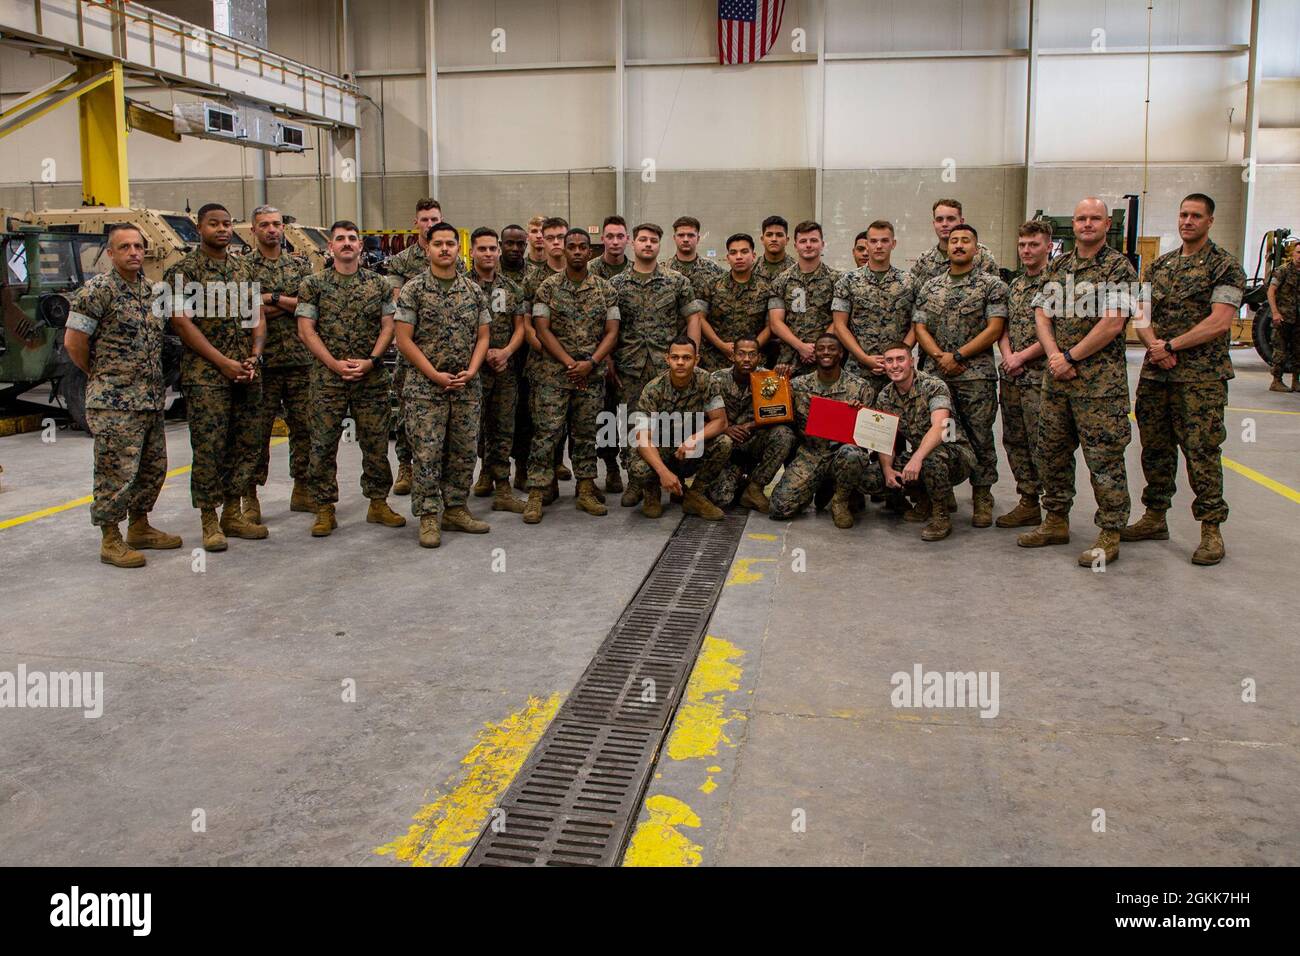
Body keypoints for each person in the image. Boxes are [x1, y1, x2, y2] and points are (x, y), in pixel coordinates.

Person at [1125, 193, 1246, 566]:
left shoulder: (1225, 266)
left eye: (1195, 216)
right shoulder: (1160, 266)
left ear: (1210, 221)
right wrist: (1155, 346)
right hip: (1157, 375)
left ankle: (1211, 528)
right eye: (1183, 215)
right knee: (1155, 448)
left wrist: (1171, 345)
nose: (1187, 221)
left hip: (1200, 378)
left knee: (1202, 451)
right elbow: (1141, 314)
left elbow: (1220, 321)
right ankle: (1155, 516)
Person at [1018, 197, 1137, 567]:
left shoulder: (1119, 267)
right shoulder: (1059, 265)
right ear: (1073, 224)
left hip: (1099, 387)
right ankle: (1055, 519)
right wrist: (1055, 355)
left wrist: (1070, 357)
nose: (1087, 224)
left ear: (1106, 224)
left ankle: (1111, 531)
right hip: (1058, 382)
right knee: (1051, 453)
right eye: (1081, 218)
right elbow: (1041, 314)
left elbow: (1113, 323)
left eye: (1095, 218)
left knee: (1104, 459)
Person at [64, 223, 182, 567]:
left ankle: (140, 526)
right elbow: (74, 343)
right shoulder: (96, 291)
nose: (133, 252)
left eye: (138, 246)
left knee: (152, 468)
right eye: (125, 247)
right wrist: (100, 375)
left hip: (150, 399)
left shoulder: (153, 292)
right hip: (113, 402)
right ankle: (110, 538)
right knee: (115, 471)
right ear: (110, 253)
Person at [166, 202, 267, 551]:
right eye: (214, 224)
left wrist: (254, 355)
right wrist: (223, 362)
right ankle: (210, 519)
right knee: (210, 447)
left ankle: (233, 513)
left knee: (247, 443)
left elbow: (257, 316)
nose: (222, 229)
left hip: (246, 371)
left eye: (227, 223)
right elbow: (181, 324)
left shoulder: (244, 268)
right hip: (206, 375)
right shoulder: (182, 272)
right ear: (199, 228)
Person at [295, 221, 406, 537]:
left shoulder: (378, 284)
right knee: (322, 443)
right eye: (340, 239)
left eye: (352, 238)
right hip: (327, 378)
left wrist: (371, 361)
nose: (347, 243)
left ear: (360, 246)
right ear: (330, 246)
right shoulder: (313, 285)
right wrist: (333, 364)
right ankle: (324, 508)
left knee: (375, 442)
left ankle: (378, 503)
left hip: (370, 378)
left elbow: (389, 326)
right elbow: (306, 330)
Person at [394, 221, 492, 548]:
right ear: (428, 248)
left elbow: (483, 336)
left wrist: (472, 370)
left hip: (466, 386)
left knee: (463, 451)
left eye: (451, 243)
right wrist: (434, 374)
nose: (445, 249)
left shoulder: (473, 291)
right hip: (425, 389)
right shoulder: (414, 290)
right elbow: (404, 340)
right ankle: (427, 515)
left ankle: (455, 508)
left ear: (458, 248)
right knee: (427, 452)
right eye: (438, 244)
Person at [912, 223, 1008, 527]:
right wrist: (940, 357)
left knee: (979, 436)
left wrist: (958, 356)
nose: (958, 245)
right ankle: (940, 494)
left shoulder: (991, 285)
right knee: (937, 434)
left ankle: (982, 495)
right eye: (954, 240)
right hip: (936, 375)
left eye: (966, 240)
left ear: (976, 249)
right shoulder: (931, 286)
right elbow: (920, 327)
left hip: (974, 375)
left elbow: (994, 328)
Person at [523, 228, 621, 523]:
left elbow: (612, 331)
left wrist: (591, 363)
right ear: (564, 250)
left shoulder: (605, 290)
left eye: (582, 247)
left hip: (590, 376)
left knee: (587, 433)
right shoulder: (547, 288)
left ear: (590, 252)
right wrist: (570, 363)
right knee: (547, 433)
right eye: (572, 246)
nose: (577, 251)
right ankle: (537, 492)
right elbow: (542, 329)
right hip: (553, 375)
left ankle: (586, 489)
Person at [831, 342, 975, 540]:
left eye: (900, 359)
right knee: (870, 479)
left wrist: (916, 458)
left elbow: (941, 427)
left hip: (955, 455)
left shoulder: (933, 386)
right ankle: (924, 498)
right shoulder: (885, 396)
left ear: (912, 361)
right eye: (889, 361)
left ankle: (941, 515)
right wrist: (887, 469)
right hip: (921, 457)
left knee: (931, 457)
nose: (895, 365)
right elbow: (885, 439)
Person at [609, 222, 704, 506]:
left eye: (653, 240)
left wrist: (691, 356)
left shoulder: (676, 281)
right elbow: (609, 327)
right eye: (643, 240)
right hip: (631, 366)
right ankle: (637, 482)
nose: (648, 244)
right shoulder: (617, 284)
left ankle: (670, 476)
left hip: (668, 365)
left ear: (660, 244)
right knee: (631, 424)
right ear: (633, 243)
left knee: (670, 425)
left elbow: (693, 318)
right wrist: (609, 359)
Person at [244, 205, 314, 522]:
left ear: (283, 228)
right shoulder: (243, 268)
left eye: (276, 224)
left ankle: (302, 489)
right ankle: (249, 497)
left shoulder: (299, 265)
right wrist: (287, 303)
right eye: (264, 225)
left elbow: (308, 306)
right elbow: (246, 309)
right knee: (255, 433)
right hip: (262, 363)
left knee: (305, 428)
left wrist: (270, 299)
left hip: (300, 360)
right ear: (253, 230)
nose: (271, 229)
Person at [768, 334, 873, 520]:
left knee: (853, 454)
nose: (826, 352)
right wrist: (776, 379)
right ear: (814, 354)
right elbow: (775, 413)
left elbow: (869, 434)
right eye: (821, 349)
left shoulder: (860, 387)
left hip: (842, 454)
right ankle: (822, 488)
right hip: (811, 454)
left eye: (832, 349)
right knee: (780, 508)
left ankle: (841, 499)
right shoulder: (798, 385)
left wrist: (860, 413)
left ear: (841, 353)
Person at [629, 337, 731, 520]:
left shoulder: (706, 381)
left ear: (696, 359)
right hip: (661, 449)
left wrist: (694, 438)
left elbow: (720, 421)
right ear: (667, 359)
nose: (680, 362)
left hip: (688, 449)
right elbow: (643, 438)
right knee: (638, 465)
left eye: (686, 357)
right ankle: (652, 492)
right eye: (675, 357)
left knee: (724, 442)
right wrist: (663, 472)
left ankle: (695, 495)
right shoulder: (653, 389)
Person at [464, 227, 528, 514]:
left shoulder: (511, 288)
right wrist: (479, 357)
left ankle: (502, 486)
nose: (488, 253)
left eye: (492, 249)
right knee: (473, 429)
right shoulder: (462, 286)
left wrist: (505, 352)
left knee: (502, 428)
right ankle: (482, 473)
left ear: (498, 251)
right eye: (482, 249)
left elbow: (520, 328)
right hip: (471, 370)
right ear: (472, 252)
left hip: (504, 368)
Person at [385, 198, 447, 496]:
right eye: (425, 219)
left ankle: (439, 470)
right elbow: (397, 301)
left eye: (434, 219)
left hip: (443, 347)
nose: (430, 224)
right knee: (406, 409)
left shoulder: (453, 257)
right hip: (410, 347)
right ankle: (405, 465)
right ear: (416, 223)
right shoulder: (401, 261)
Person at [994, 220, 1053, 529]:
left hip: (1041, 378)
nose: (1026, 250)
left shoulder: (1056, 284)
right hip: (1013, 377)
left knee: (1044, 443)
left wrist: (1021, 357)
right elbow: (1003, 328)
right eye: (1022, 245)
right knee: (1015, 440)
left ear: (1048, 247)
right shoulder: (1015, 285)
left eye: (1033, 244)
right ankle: (1028, 501)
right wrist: (1007, 356)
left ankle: (1054, 509)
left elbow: (1057, 333)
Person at [707, 334, 796, 513]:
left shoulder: (769, 377)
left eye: (752, 354)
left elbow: (781, 413)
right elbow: (703, 417)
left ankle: (754, 487)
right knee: (721, 499)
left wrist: (783, 380)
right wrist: (725, 428)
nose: (746, 359)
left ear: (759, 357)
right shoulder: (715, 379)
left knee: (784, 434)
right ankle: (739, 478)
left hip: (754, 441)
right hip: (726, 446)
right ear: (732, 356)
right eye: (741, 354)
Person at [518, 216, 572, 498]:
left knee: (577, 425)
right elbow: (526, 324)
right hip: (544, 365)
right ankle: (544, 481)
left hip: (577, 366)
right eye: (550, 238)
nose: (555, 243)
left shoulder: (583, 274)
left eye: (561, 237)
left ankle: (578, 478)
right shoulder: (531, 280)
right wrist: (545, 349)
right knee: (545, 425)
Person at [832, 219, 915, 398]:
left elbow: (917, 326)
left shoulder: (909, 282)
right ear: (867, 244)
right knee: (856, 414)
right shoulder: (847, 281)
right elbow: (839, 325)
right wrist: (864, 358)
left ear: (893, 244)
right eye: (874, 241)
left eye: (884, 241)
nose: (879, 246)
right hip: (858, 369)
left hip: (898, 372)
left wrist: (897, 358)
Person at [768, 220, 842, 376]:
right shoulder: (781, 281)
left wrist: (820, 347)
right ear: (795, 246)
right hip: (789, 361)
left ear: (822, 244)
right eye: (803, 241)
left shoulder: (837, 280)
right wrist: (801, 347)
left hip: (827, 359)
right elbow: (775, 323)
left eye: (813, 240)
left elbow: (839, 321)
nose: (808, 245)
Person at [697, 234, 774, 371]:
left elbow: (771, 325)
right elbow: (700, 319)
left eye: (744, 252)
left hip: (753, 362)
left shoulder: (767, 288)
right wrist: (721, 345)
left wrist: (749, 349)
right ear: (727, 258)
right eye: (733, 253)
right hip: (716, 360)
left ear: (753, 256)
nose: (739, 257)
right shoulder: (712, 285)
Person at [910, 198, 999, 287]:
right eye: (939, 219)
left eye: (950, 219)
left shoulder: (982, 254)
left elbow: (995, 288)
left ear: (961, 222)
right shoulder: (924, 260)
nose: (944, 224)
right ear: (934, 224)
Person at [1266, 238, 1299, 393]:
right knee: (1280, 350)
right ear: (1293, 253)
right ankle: (1276, 381)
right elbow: (1271, 291)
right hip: (1283, 318)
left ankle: (1296, 381)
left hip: (1298, 319)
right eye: (1298, 252)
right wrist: (1275, 313)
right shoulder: (1283, 270)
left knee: (1298, 350)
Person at [667, 215, 725, 299]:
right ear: (674, 238)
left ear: (698, 238)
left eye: (690, 235)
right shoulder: (664, 270)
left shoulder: (714, 269)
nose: (686, 239)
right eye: (681, 235)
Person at [755, 214, 796, 281]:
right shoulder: (751, 270)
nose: (774, 239)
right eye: (769, 235)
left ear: (787, 240)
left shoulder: (797, 269)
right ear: (762, 240)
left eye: (779, 235)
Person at [589, 215, 630, 280]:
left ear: (627, 239)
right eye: (610, 237)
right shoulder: (588, 270)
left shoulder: (636, 270)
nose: (615, 242)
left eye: (620, 237)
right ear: (602, 239)